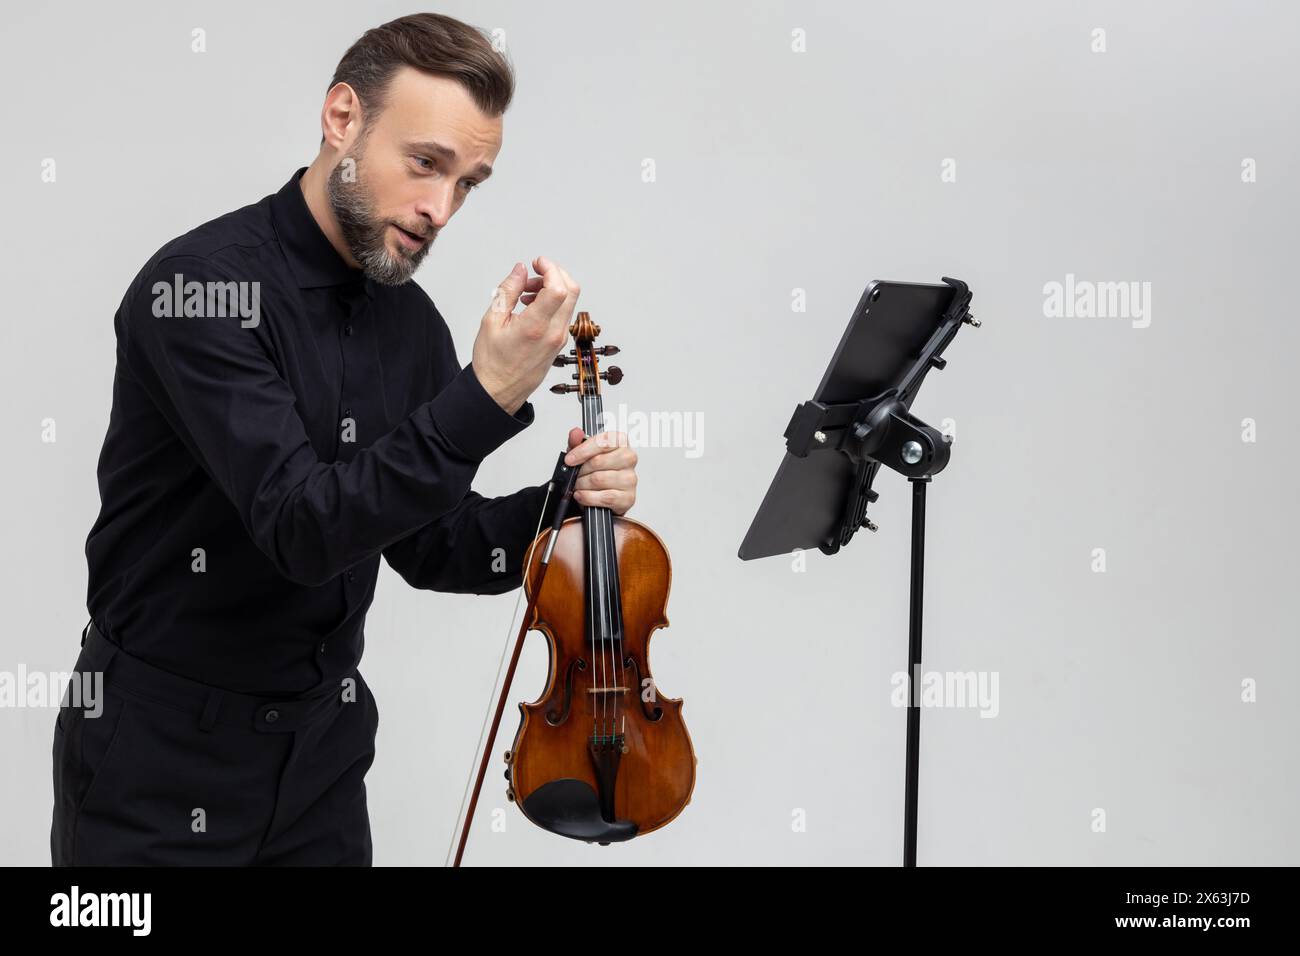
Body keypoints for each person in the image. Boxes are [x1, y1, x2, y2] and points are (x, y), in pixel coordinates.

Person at [52, 12, 638, 866]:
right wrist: (482, 397)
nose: (440, 208)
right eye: (425, 163)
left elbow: (428, 544)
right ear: (342, 120)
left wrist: (561, 506)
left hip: (322, 758)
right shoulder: (196, 290)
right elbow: (303, 529)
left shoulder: (412, 326)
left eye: (469, 182)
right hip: (156, 757)